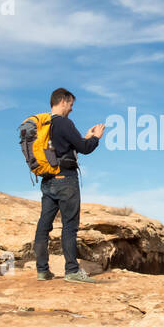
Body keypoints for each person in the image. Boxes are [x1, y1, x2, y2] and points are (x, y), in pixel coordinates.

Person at [34, 87, 104, 283]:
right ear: (63, 101)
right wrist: (96, 137)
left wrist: (86, 136)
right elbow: (84, 149)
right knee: (69, 226)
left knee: (43, 226)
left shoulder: (43, 125)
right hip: (66, 180)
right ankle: (72, 271)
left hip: (48, 180)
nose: (72, 109)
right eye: (71, 104)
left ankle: (42, 270)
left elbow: (68, 147)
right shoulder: (64, 123)